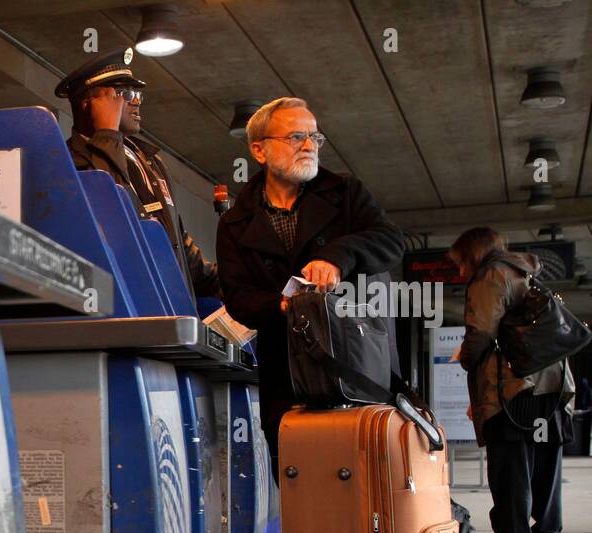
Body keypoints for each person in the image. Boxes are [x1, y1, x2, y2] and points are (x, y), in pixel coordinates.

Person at [215, 97, 404, 479]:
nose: (309, 145)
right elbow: (237, 298)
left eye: (315, 137)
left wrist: (337, 258)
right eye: (297, 136)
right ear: (259, 150)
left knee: (363, 488)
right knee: (299, 492)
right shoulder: (235, 222)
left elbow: (390, 242)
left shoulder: (346, 193)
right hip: (286, 380)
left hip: (356, 369)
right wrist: (284, 306)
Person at [451, 226, 575, 533]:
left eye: (461, 262)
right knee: (545, 477)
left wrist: (464, 357)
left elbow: (481, 333)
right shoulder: (528, 275)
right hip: (552, 392)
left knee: (511, 477)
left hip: (514, 395)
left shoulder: (491, 275)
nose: (461, 272)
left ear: (472, 253)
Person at [56, 48, 218, 299]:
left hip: (171, 312)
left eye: (137, 93)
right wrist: (107, 134)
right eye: (123, 94)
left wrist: (233, 284)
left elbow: (178, 242)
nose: (137, 100)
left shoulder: (149, 161)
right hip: (124, 310)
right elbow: (115, 219)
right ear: (89, 104)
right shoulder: (67, 161)